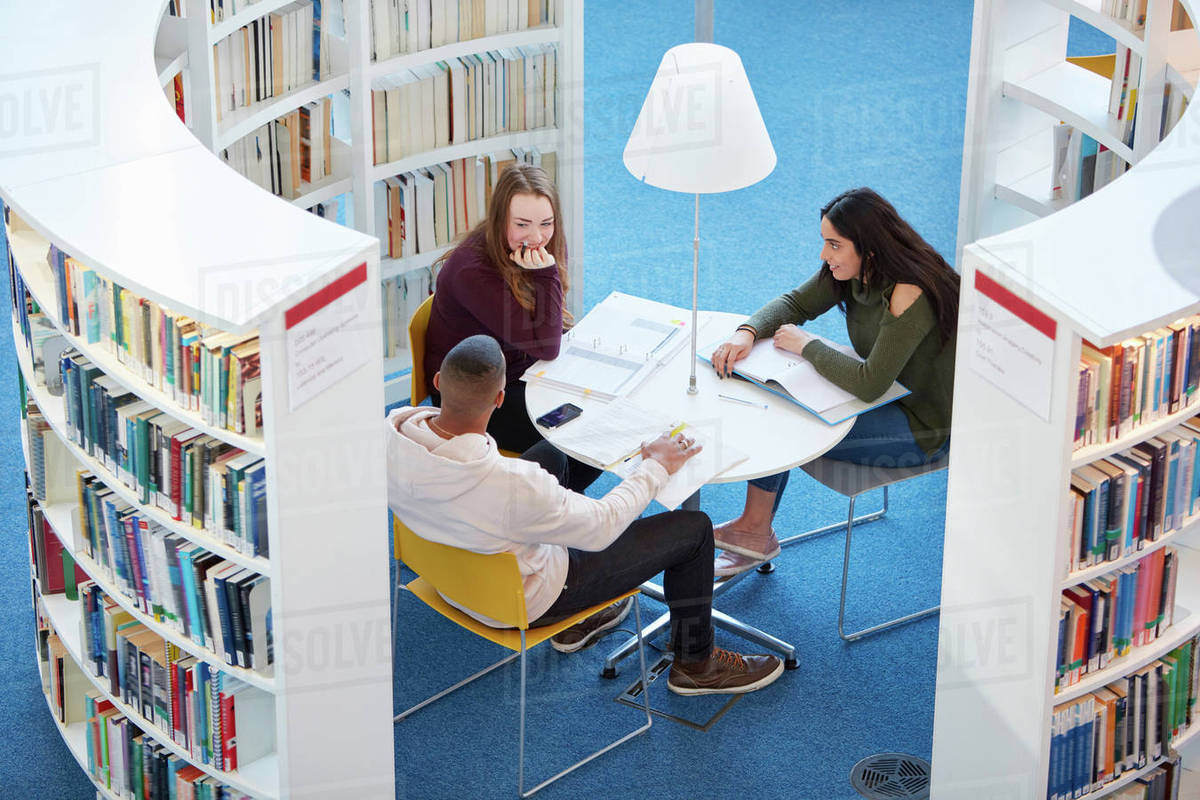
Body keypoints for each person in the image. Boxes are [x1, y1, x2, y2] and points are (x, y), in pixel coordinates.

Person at [387, 335, 785, 696]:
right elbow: (601, 529)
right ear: (499, 399)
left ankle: (592, 608)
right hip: (525, 598)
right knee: (694, 530)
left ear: (437, 382)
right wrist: (656, 465)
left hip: (448, 575)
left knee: (552, 454)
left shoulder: (390, 437)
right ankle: (696, 663)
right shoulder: (510, 484)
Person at [708, 187, 959, 576]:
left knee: (785, 422)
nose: (824, 255)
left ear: (870, 249)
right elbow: (795, 303)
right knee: (776, 397)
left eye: (833, 245)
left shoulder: (908, 291)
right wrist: (746, 331)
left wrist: (806, 345)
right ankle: (754, 530)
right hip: (883, 395)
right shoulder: (851, 271)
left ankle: (755, 532)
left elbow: (871, 383)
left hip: (921, 424)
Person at [423, 163, 601, 491]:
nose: (536, 237)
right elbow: (546, 346)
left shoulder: (530, 245)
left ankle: (557, 501)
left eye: (546, 223)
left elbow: (546, 332)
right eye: (522, 224)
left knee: (599, 411)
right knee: (582, 432)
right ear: (500, 219)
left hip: (520, 367)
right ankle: (551, 506)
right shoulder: (473, 272)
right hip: (475, 399)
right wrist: (546, 275)